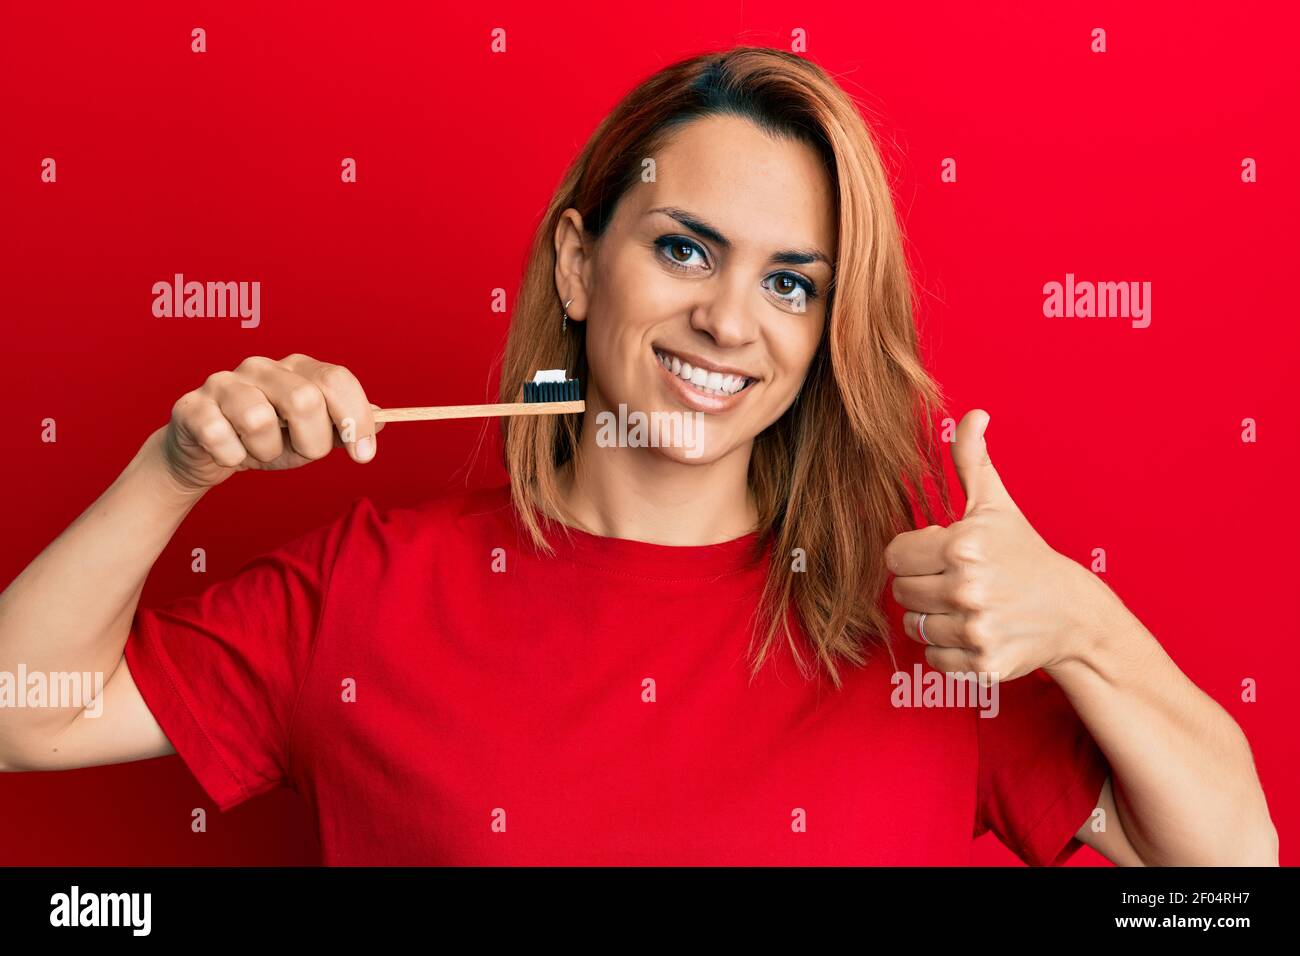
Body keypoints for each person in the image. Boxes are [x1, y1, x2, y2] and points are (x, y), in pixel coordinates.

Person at [0, 46, 1277, 866]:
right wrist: (175, 466)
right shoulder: (365, 591)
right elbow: (21, 716)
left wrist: (1083, 622)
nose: (729, 319)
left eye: (791, 281)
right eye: (683, 248)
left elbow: (1226, 876)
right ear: (576, 261)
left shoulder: (920, 626)